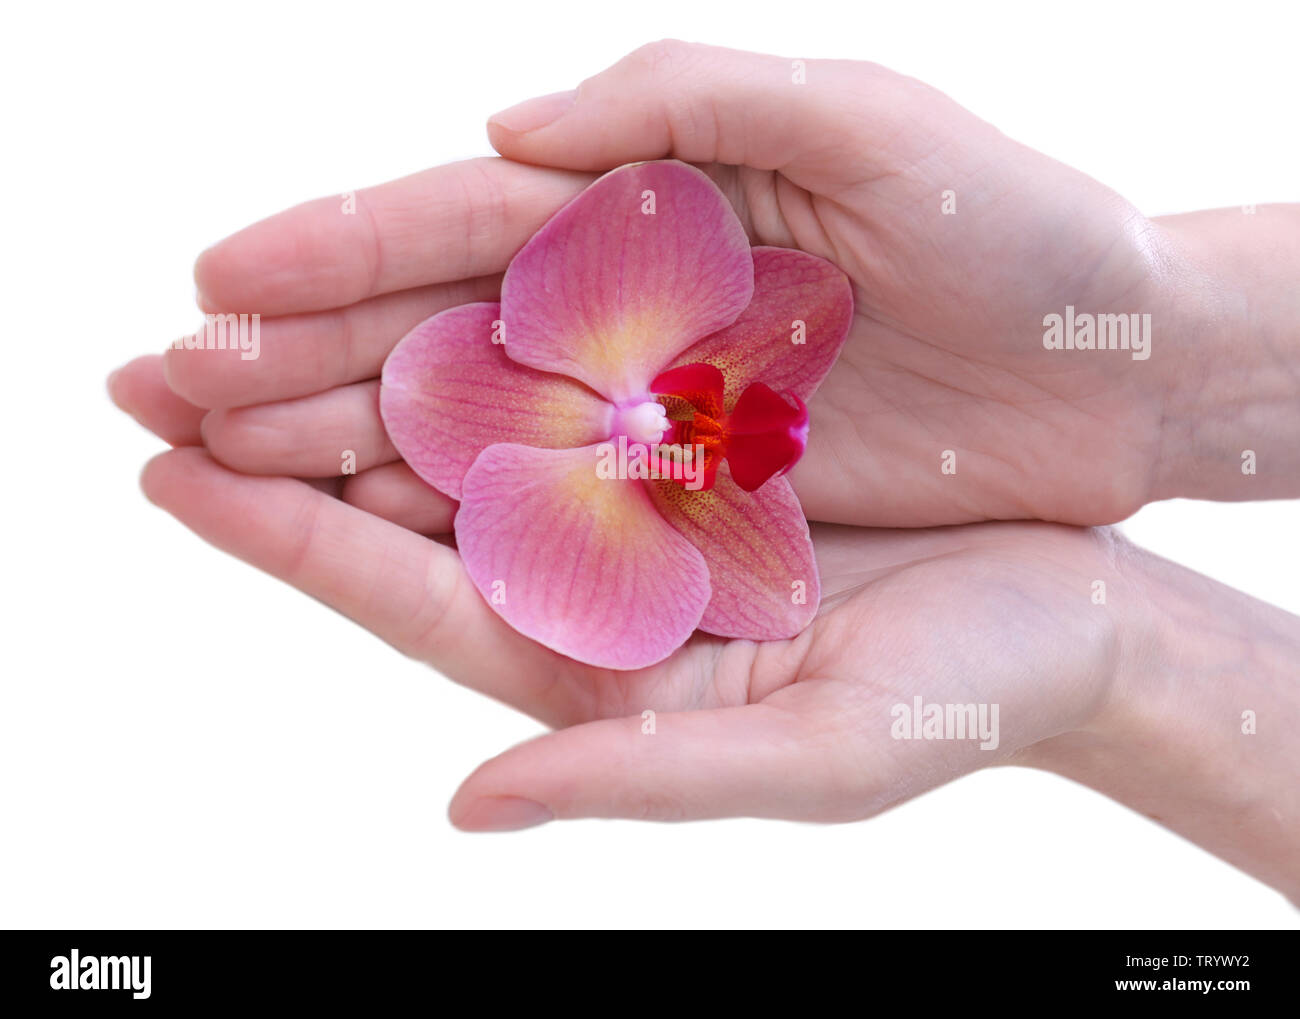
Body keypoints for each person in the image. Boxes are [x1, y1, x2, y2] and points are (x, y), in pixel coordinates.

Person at [108, 42, 1299, 900]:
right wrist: (1163, 369)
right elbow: (430, 387)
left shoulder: (738, 413)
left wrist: (1159, 353)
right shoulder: (479, 394)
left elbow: (796, 347)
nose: (689, 438)